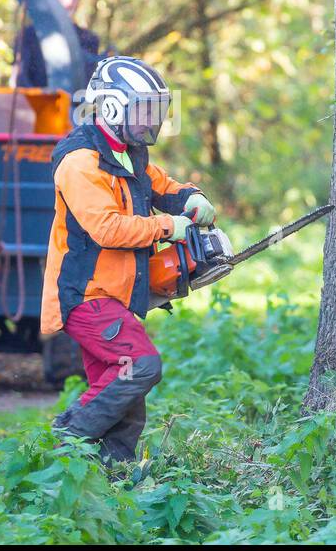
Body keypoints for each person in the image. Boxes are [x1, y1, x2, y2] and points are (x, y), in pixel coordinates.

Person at [40, 56, 217, 470]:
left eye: (155, 111)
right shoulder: (81, 162)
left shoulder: (129, 154)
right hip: (87, 296)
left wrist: (190, 198)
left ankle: (108, 481)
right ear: (113, 107)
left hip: (118, 299)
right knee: (140, 366)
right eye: (143, 110)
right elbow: (106, 228)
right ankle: (67, 438)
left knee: (127, 401)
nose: (150, 121)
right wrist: (165, 227)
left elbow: (164, 186)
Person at [16, 0, 102, 88]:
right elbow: (20, 85)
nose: (69, 2)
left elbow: (88, 92)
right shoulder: (28, 37)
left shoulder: (88, 40)